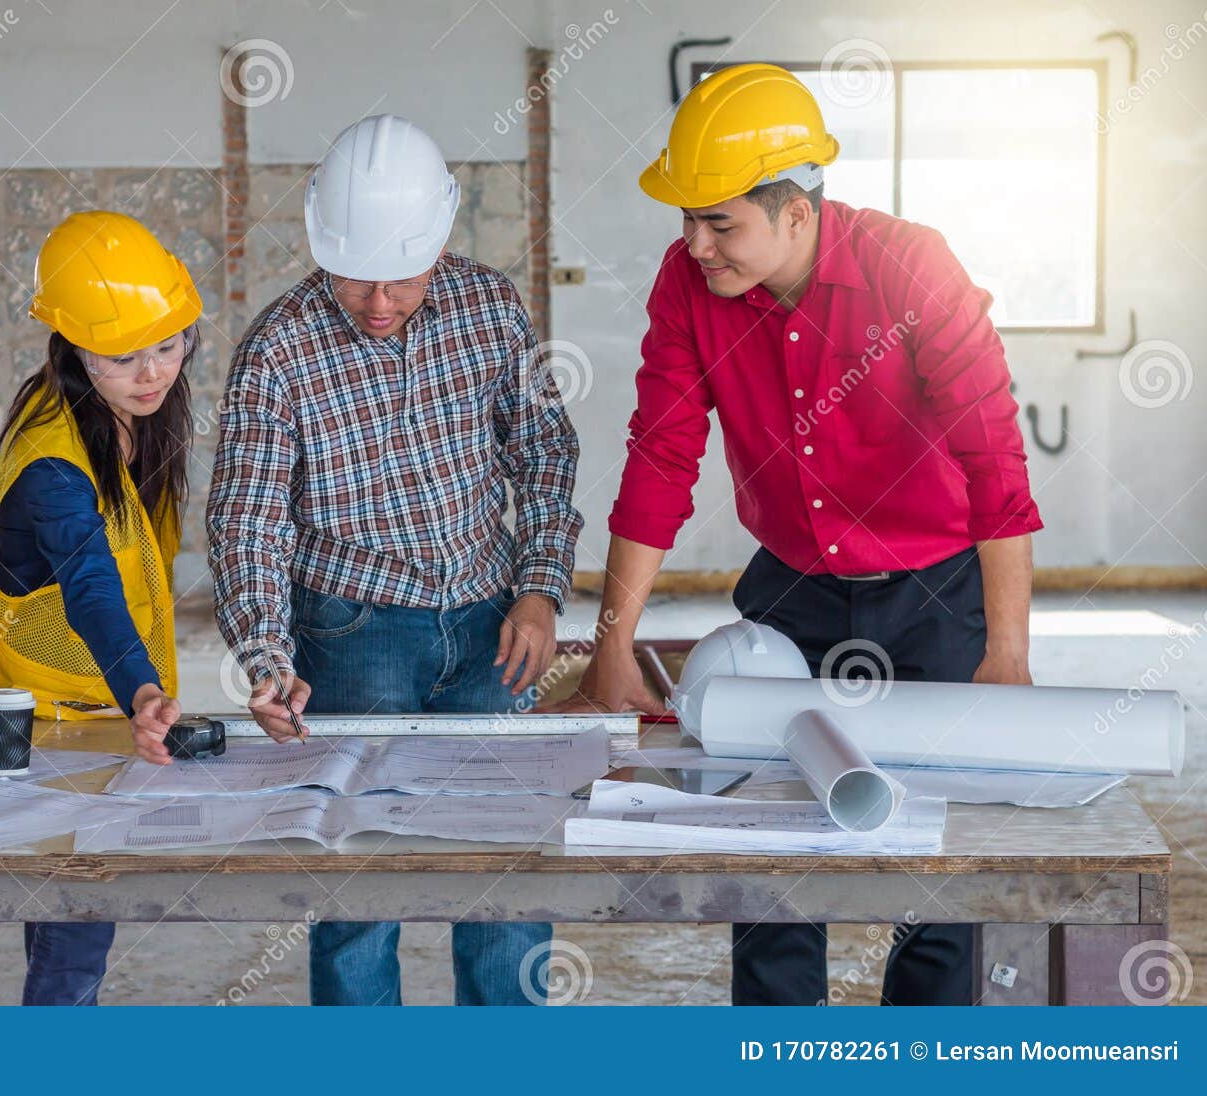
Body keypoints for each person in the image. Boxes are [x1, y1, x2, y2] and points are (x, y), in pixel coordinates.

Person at [568, 64, 1042, 1005]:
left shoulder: (912, 269)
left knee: (935, 857)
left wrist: (1009, 650)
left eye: (721, 223)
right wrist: (611, 647)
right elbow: (661, 456)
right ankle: (781, 1051)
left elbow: (993, 459)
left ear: (797, 210)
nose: (696, 246)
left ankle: (926, 1049)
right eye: (688, 221)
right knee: (769, 838)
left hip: (936, 591)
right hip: (790, 588)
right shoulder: (687, 284)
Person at [207, 114, 584, 1005]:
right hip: (353, 632)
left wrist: (539, 588)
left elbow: (543, 450)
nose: (378, 303)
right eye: (355, 277)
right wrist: (268, 656)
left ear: (440, 241)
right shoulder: (279, 349)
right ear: (318, 244)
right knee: (358, 874)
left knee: (504, 866)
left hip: (496, 625)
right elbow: (248, 521)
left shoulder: (490, 308)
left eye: (401, 279)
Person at [0, 210, 201, 1005]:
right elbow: (91, 590)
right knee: (75, 938)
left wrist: (134, 693)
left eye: (168, 344)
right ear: (72, 347)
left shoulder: (133, 417)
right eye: (121, 355)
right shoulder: (54, 462)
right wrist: (143, 691)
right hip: (35, 722)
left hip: (91, 709)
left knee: (75, 922)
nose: (152, 372)